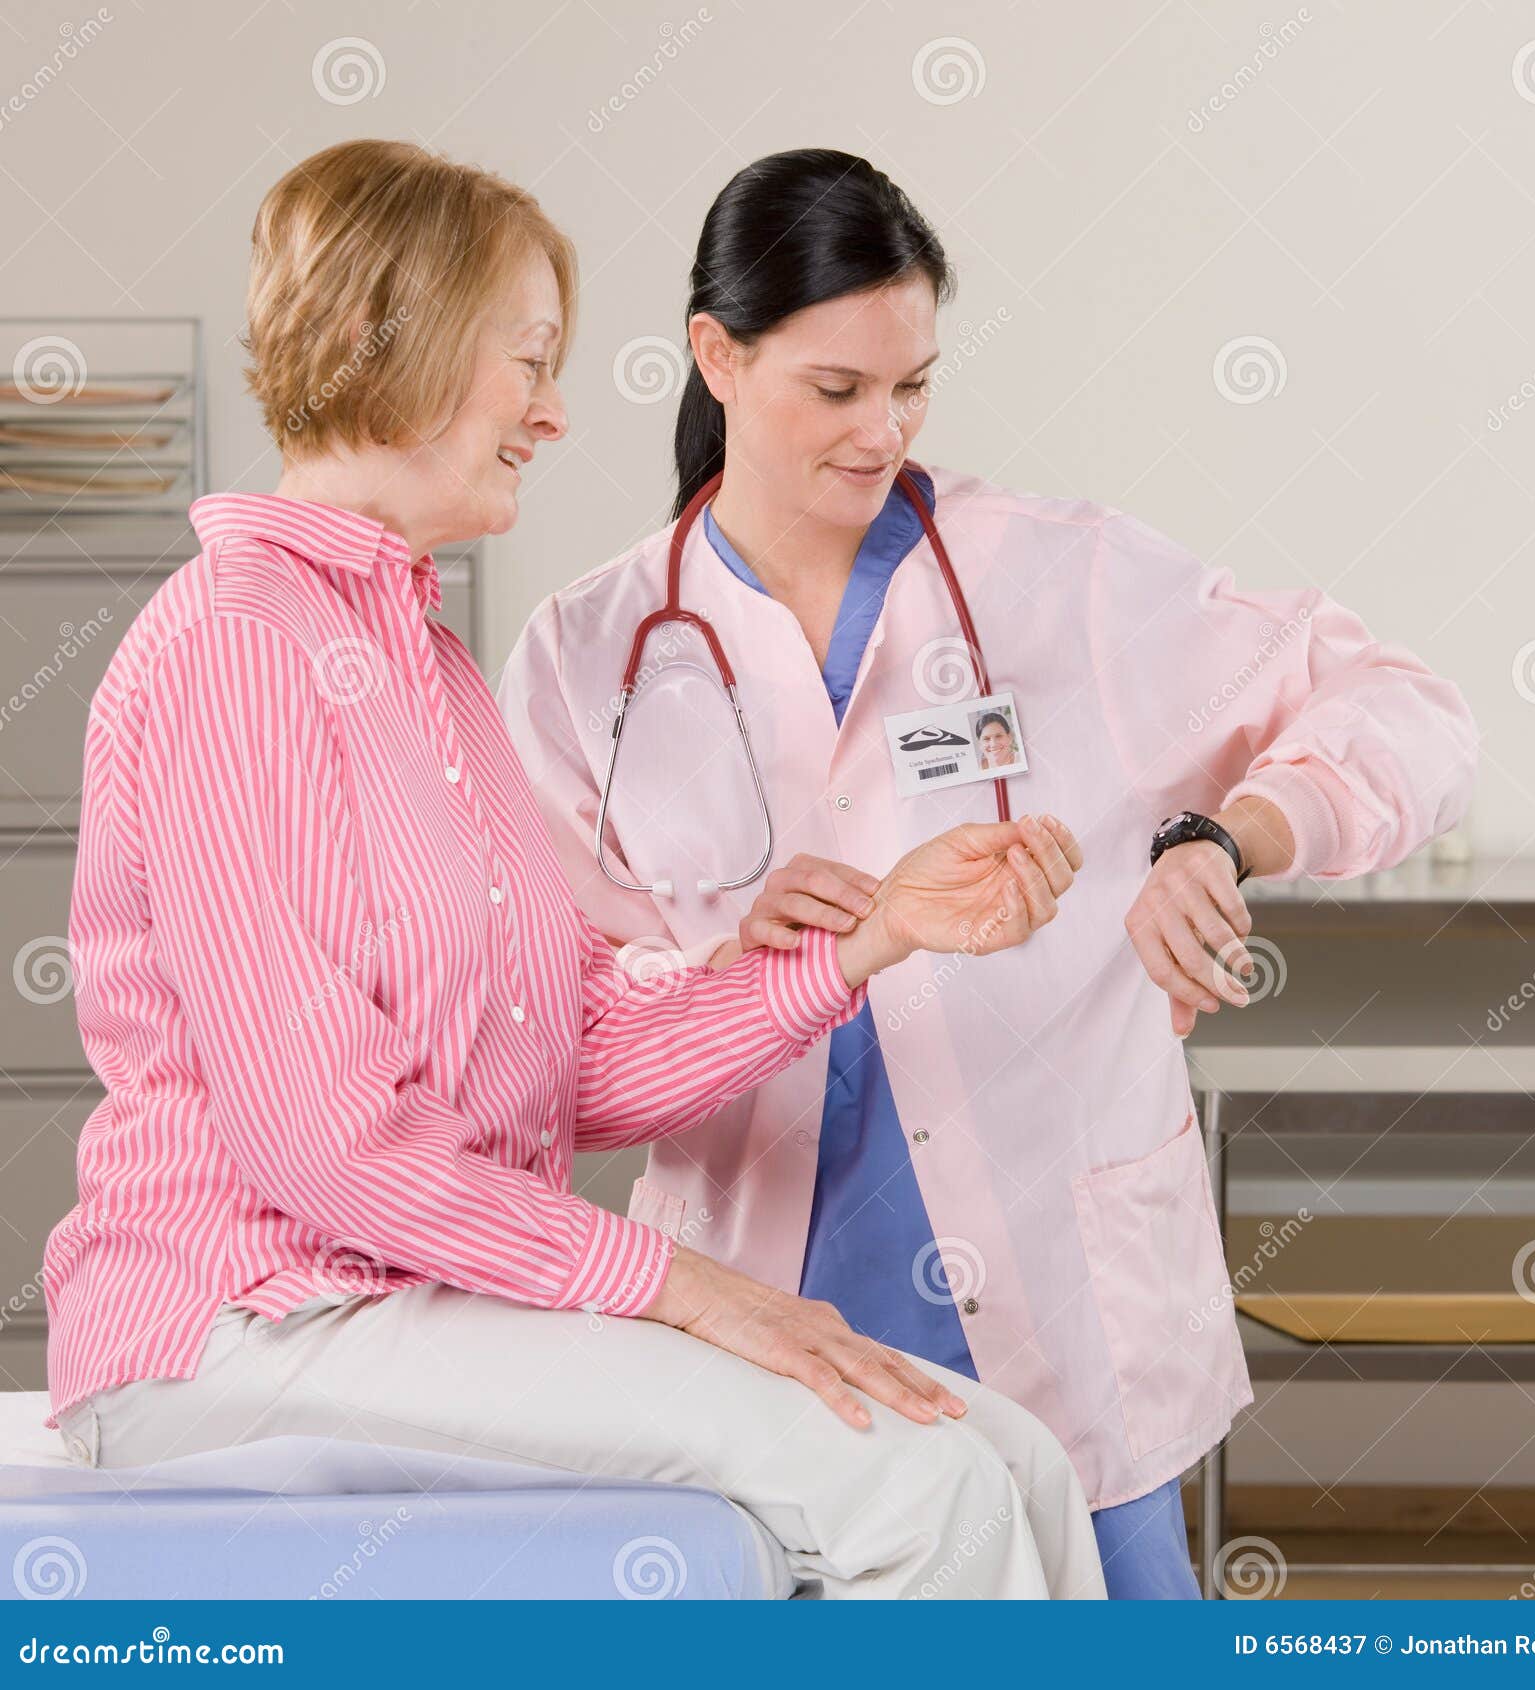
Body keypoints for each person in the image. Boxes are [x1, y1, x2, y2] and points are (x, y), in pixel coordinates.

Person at [39, 139, 1106, 1602]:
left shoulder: (425, 665)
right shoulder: (238, 648)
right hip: (246, 1327)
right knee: (912, 1481)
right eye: (529, 362)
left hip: (416, 1304)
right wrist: (695, 1291)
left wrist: (862, 944)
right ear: (382, 343)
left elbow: (571, 1058)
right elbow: (328, 1145)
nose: (554, 412)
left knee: (1013, 1455)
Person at [499, 148, 1480, 1598]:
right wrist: (718, 968)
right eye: (836, 390)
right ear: (715, 354)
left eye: (913, 387)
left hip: (1063, 1334)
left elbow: (1408, 707)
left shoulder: (1055, 579)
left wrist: (1231, 836)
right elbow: (548, 1031)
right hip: (770, 1346)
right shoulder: (593, 656)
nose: (881, 429)